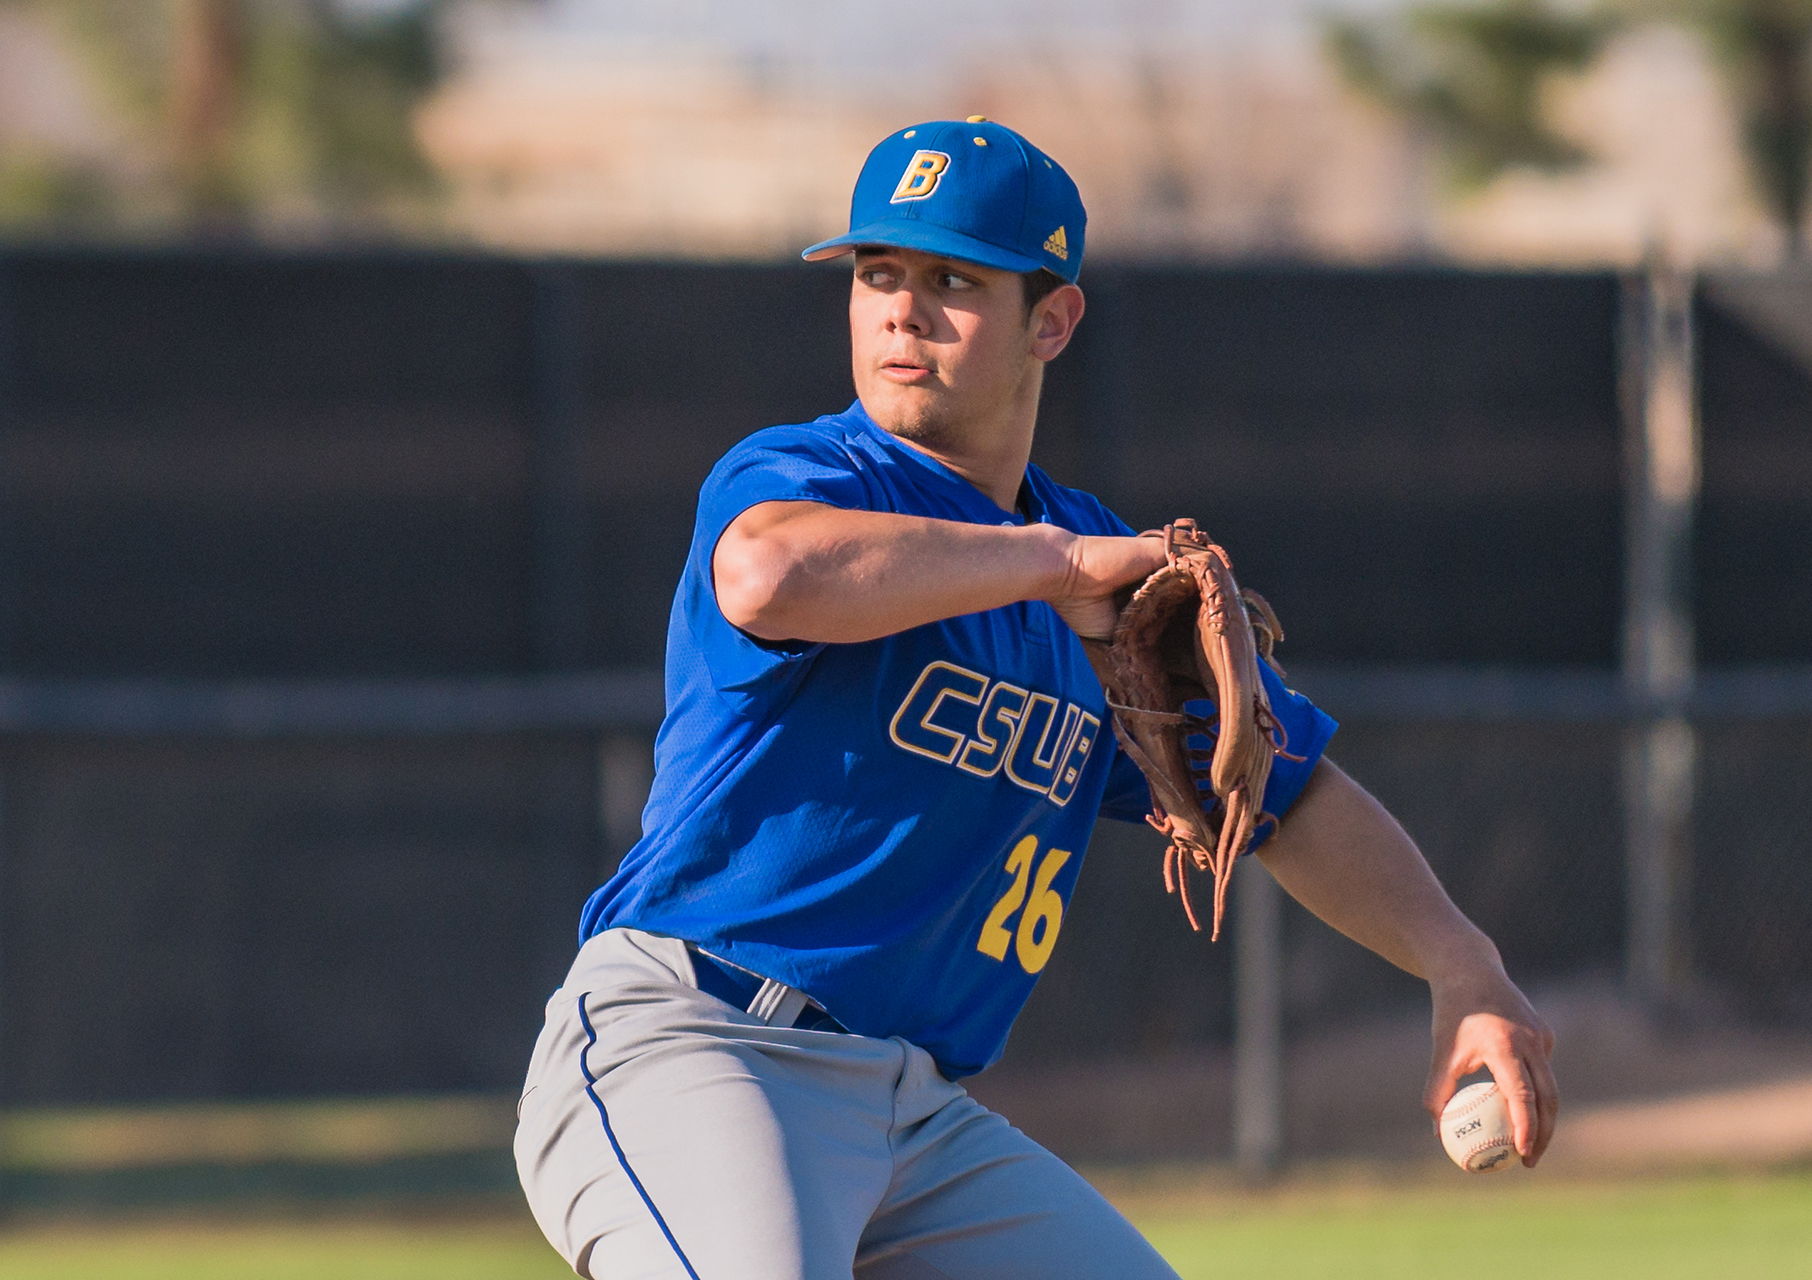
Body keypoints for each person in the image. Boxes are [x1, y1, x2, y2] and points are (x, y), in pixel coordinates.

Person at [514, 117, 1557, 1280]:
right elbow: (773, 572)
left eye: (953, 279)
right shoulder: (812, 476)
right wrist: (1053, 566)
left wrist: (1462, 963)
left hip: (912, 1110)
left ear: (1051, 319)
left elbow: (1294, 793)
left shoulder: (1106, 582)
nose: (902, 310)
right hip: (698, 1046)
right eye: (878, 275)